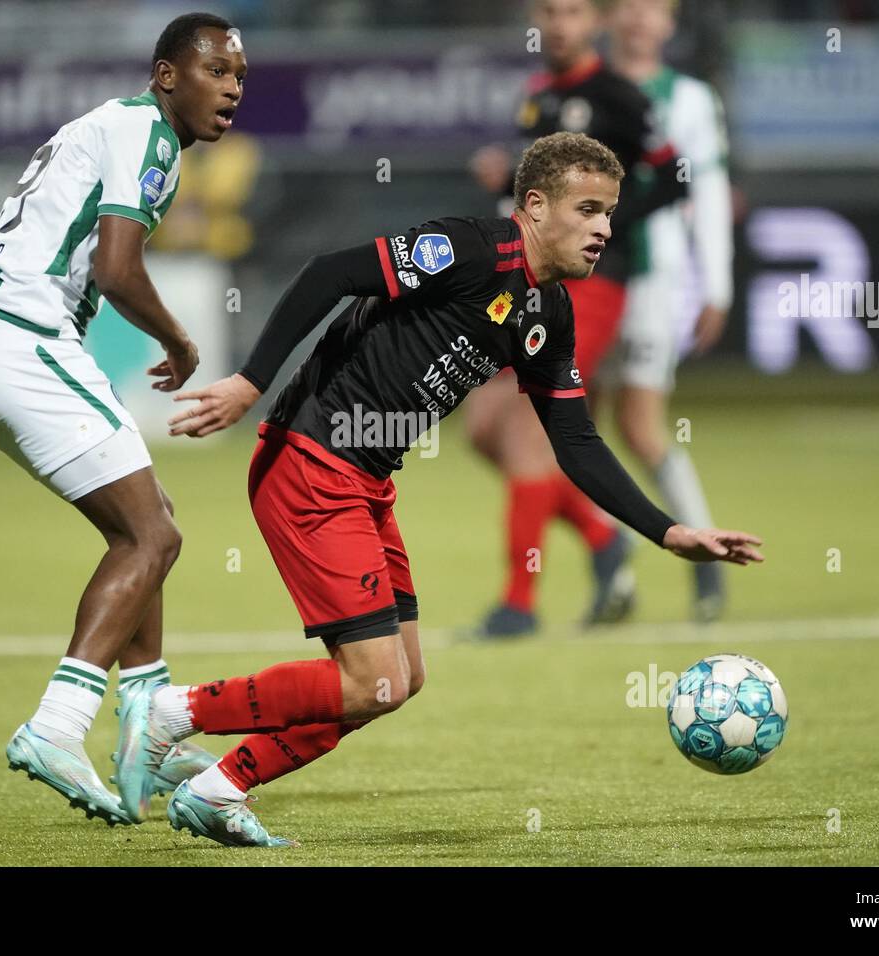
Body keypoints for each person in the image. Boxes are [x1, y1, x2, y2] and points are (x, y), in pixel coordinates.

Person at [114, 132, 763, 848]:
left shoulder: (547, 311)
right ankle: (174, 713)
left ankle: (216, 787)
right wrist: (251, 382)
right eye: (588, 209)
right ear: (537, 205)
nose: (604, 228)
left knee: (402, 678)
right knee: (373, 681)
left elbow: (575, 441)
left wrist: (670, 532)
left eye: (609, 213)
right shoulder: (470, 249)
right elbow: (331, 273)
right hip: (312, 460)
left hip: (364, 480)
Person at [0, 12, 245, 826]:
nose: (232, 90)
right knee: (153, 537)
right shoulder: (148, 137)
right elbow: (115, 268)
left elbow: (38, 244)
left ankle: (148, 720)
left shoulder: (108, 125)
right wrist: (179, 337)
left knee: (147, 523)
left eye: (240, 77)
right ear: (168, 74)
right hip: (23, 343)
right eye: (216, 72)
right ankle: (57, 727)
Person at [465, 0, 688, 638]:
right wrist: (505, 177)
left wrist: (606, 228)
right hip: (527, 277)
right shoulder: (537, 98)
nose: (558, 25)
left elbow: (675, 176)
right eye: (548, 12)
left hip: (590, 285)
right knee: (484, 428)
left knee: (532, 426)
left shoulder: (619, 96)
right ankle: (602, 536)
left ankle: (518, 603)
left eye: (570, 13)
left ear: (596, 23)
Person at [605, 0, 734, 621]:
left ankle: (706, 558)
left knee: (639, 425)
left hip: (652, 280)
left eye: (650, 8)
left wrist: (719, 285)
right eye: (627, 7)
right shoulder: (589, 89)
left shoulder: (690, 99)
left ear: (669, 23)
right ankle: (613, 573)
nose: (637, 19)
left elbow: (706, 194)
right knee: (569, 429)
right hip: (582, 281)